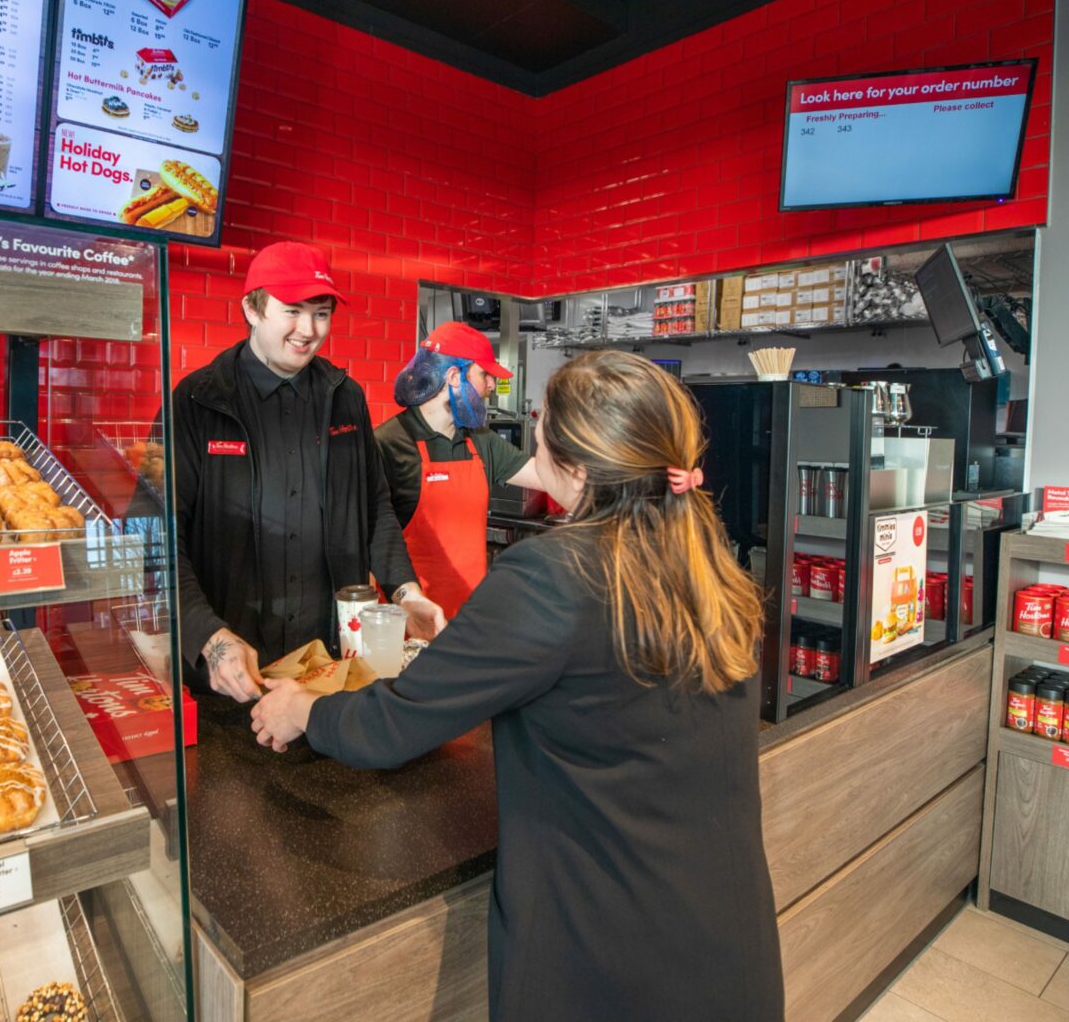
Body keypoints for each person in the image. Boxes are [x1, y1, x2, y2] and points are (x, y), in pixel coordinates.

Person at [250, 350, 783, 1021]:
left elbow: (397, 720)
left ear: (579, 469)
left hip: (608, 962)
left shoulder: (555, 575)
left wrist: (306, 708)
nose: (532, 442)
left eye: (542, 432)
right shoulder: (704, 561)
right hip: (724, 948)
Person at [170, 241, 445, 702]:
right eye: (292, 311)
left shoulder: (346, 397)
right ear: (252, 309)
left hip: (327, 665)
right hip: (235, 669)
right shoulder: (198, 400)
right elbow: (158, 536)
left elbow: (374, 507)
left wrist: (406, 594)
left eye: (321, 313)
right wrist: (208, 636)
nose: (308, 330)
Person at [375, 321, 543, 618]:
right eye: (485, 374)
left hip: (469, 619)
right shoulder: (387, 443)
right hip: (409, 623)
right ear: (453, 376)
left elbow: (544, 476)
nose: (491, 386)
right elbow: (371, 537)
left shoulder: (481, 441)